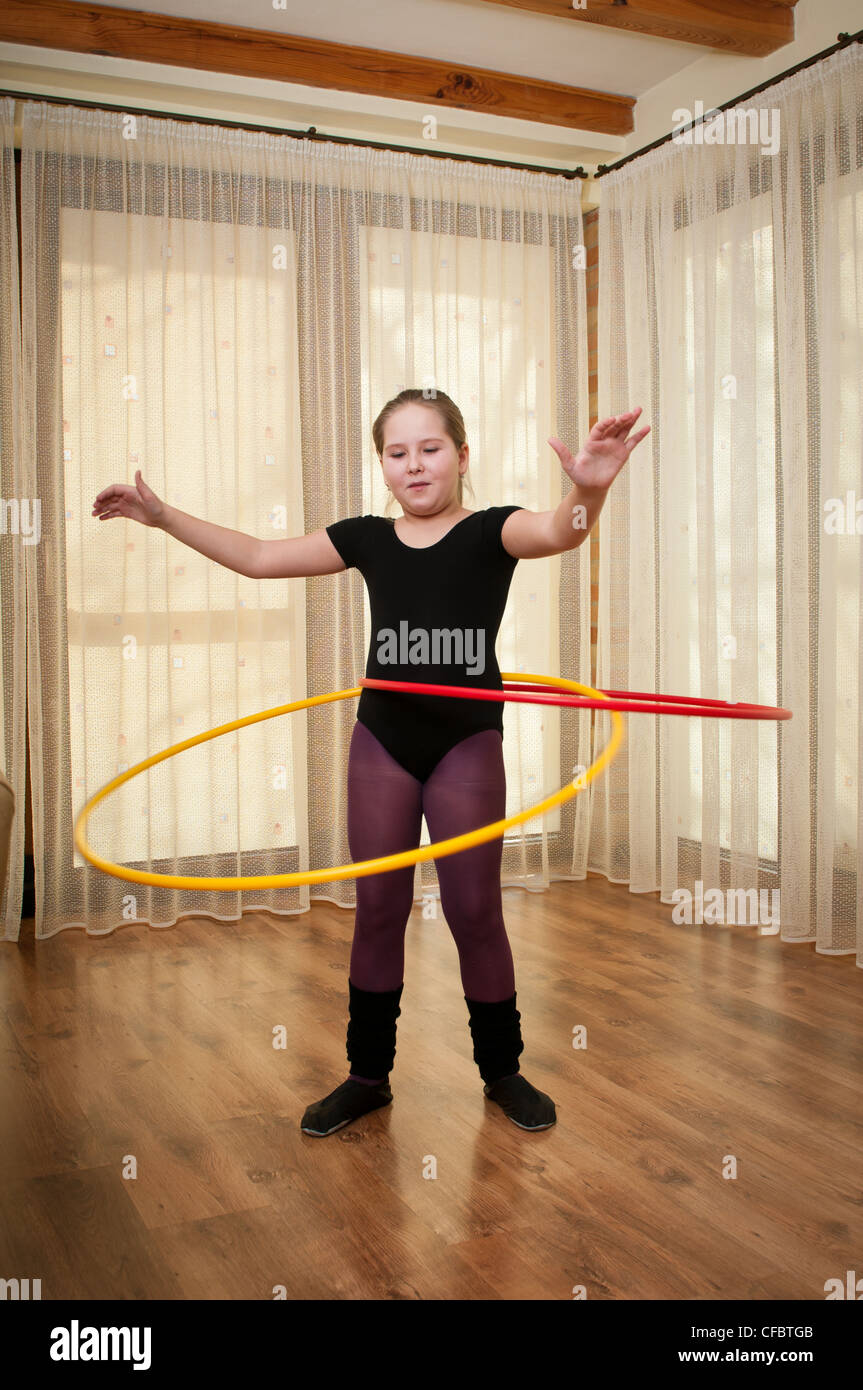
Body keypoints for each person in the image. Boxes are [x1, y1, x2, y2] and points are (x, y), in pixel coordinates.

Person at [92, 390, 649, 1138]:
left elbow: (561, 533)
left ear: (461, 453)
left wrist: (589, 486)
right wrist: (162, 517)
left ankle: (502, 1072)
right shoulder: (366, 538)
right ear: (381, 463)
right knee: (378, 910)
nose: (414, 465)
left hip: (465, 742)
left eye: (430, 448)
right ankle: (365, 1077)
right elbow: (259, 559)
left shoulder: (493, 531)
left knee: (474, 912)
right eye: (396, 452)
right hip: (383, 741)